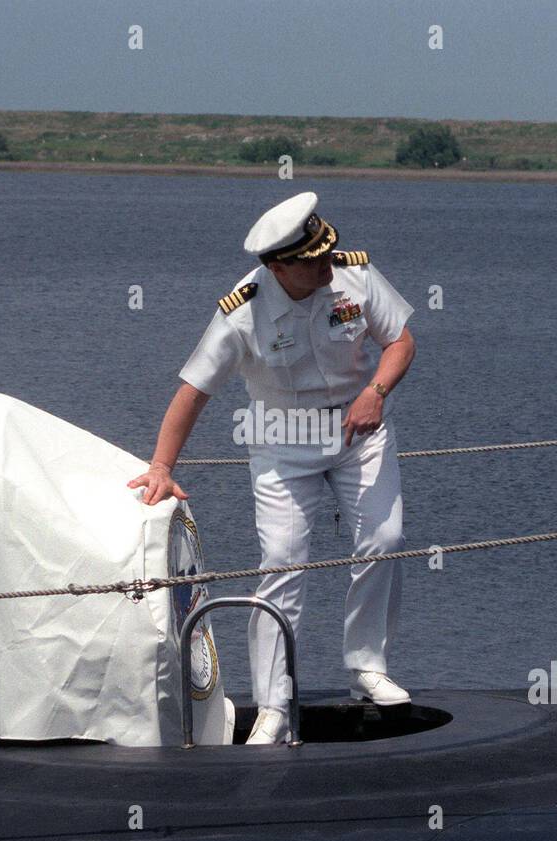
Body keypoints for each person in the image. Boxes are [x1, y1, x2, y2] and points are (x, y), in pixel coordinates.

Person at [128, 192, 416, 745]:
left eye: (327, 250)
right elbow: (194, 391)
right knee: (283, 561)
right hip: (283, 442)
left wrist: (377, 390)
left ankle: (365, 666)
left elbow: (401, 340)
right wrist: (162, 466)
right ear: (278, 266)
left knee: (385, 537)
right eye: (313, 260)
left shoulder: (354, 276)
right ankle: (274, 705)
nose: (327, 264)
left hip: (360, 428)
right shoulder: (242, 311)